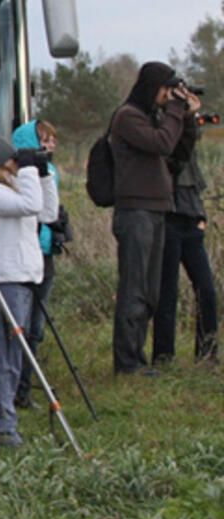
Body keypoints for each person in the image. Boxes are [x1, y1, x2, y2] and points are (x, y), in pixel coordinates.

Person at [110, 62, 199, 376]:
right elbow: (161, 143)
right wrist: (175, 110)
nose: (168, 96)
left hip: (156, 210)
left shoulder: (154, 118)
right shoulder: (128, 117)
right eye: (166, 89)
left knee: (150, 290)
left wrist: (187, 119)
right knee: (134, 287)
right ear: (152, 86)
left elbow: (177, 154)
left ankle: (137, 357)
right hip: (135, 211)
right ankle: (127, 362)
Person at [0, 135, 58, 448]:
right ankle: (2, 427)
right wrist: (29, 168)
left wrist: (43, 174)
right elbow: (31, 205)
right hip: (6, 279)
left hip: (22, 277)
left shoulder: (13, 186)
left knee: (3, 355)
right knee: (5, 358)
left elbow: (47, 213)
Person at [12, 120, 73, 408]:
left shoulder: (51, 172)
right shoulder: (15, 175)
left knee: (36, 327)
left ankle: (23, 389)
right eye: (45, 140)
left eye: (53, 140)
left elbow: (50, 213)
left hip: (45, 254)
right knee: (20, 326)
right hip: (25, 255)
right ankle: (13, 387)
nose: (51, 145)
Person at [153, 117, 218, 364]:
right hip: (168, 221)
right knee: (167, 292)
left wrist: (201, 219)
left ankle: (207, 354)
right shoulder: (162, 134)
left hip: (192, 223)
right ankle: (163, 356)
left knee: (207, 291)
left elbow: (195, 189)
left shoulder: (189, 150)